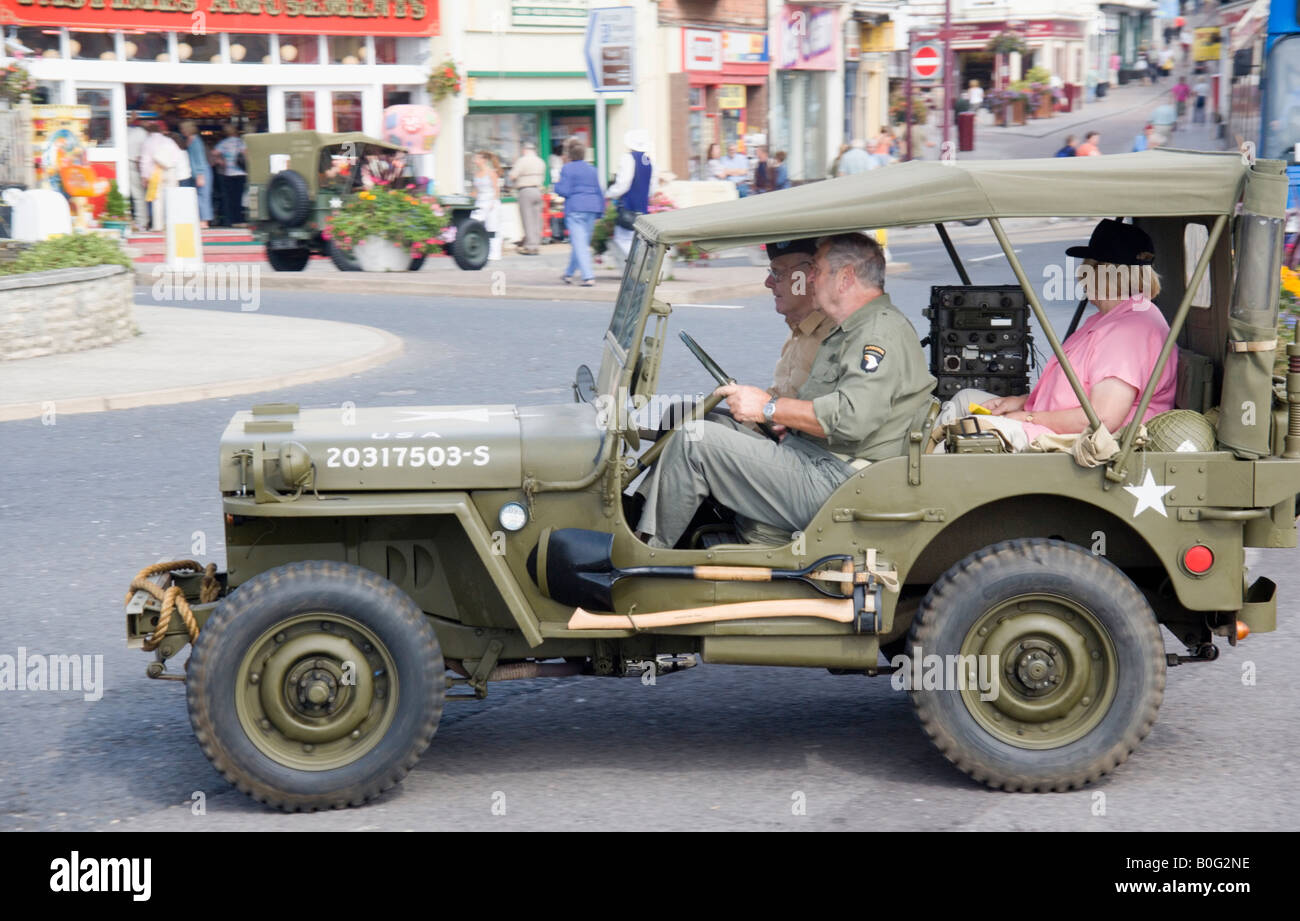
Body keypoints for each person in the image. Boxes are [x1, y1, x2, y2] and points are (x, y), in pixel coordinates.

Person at [635, 232, 936, 549]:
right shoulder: (854, 328)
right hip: (817, 460)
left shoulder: (878, 332)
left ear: (845, 277)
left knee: (694, 442)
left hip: (839, 481)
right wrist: (780, 417)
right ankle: (642, 521)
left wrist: (768, 407)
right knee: (696, 422)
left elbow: (851, 418)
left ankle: (644, 557)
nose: (810, 279)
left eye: (816, 271)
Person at [938, 220, 1175, 450]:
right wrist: (1019, 402)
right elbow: (1071, 392)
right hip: (1050, 421)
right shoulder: (1111, 319)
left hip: (1075, 440)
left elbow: (1100, 419)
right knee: (963, 399)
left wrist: (1027, 417)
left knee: (966, 429)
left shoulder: (1129, 331)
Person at [553, 137, 604, 287]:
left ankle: (588, 276)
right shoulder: (593, 169)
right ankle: (568, 273)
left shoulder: (567, 168)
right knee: (580, 242)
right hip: (592, 208)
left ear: (570, 155)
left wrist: (556, 185)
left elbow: (565, 190)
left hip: (575, 209)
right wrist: (601, 211)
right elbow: (599, 191)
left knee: (580, 244)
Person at [605, 129, 655, 262]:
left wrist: (610, 193)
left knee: (622, 239)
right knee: (638, 239)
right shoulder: (649, 161)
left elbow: (623, 183)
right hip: (643, 207)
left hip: (629, 205)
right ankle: (641, 264)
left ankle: (636, 266)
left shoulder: (628, 158)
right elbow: (652, 187)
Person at [139, 121, 185, 232]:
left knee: (157, 200)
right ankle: (171, 224)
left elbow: (145, 160)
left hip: (155, 173)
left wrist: (144, 176)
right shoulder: (169, 141)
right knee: (171, 198)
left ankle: (158, 226)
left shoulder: (147, 142)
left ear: (149, 132)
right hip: (170, 171)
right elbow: (178, 156)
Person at [509, 140, 546, 254]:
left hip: (525, 190)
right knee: (537, 219)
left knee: (527, 219)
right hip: (537, 190)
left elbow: (512, 175)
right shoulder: (540, 161)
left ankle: (530, 246)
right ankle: (536, 244)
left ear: (525, 150)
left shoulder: (522, 161)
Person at [471, 150, 503, 262]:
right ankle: (480, 249)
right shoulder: (476, 174)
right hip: (479, 202)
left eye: (477, 158)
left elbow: (496, 189)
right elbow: (475, 191)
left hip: (490, 202)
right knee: (474, 223)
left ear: (484, 160)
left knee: (492, 227)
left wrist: (494, 202)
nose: (475, 160)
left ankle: (494, 253)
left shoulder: (491, 173)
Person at [180, 120, 212, 228]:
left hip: (201, 172)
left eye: (183, 128)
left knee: (203, 196)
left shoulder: (195, 141)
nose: (182, 131)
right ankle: (201, 219)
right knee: (198, 196)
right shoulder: (190, 140)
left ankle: (204, 220)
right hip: (196, 172)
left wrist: (200, 174)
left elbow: (200, 159)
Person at [214, 123, 247, 226]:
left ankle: (231, 220)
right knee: (240, 198)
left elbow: (213, 153)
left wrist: (220, 160)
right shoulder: (241, 142)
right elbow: (246, 154)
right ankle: (240, 219)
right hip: (241, 173)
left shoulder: (223, 143)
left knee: (230, 199)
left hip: (229, 174)